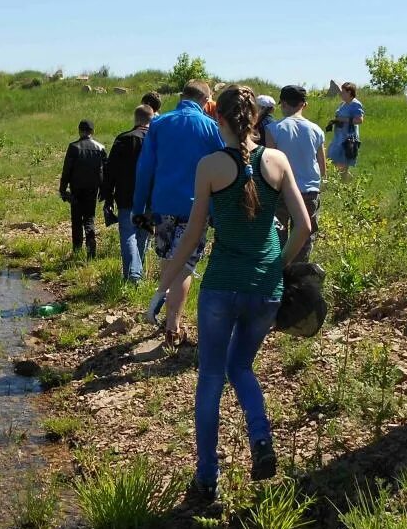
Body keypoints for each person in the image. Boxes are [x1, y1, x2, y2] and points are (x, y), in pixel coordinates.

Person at [148, 85, 311, 501]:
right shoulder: (277, 161)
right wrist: (277, 266)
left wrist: (164, 287)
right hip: (265, 289)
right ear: (255, 117)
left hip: (221, 287)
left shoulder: (210, 167)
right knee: (242, 368)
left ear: (216, 114)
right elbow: (304, 227)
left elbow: (191, 238)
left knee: (210, 377)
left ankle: (207, 478)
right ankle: (260, 439)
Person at [132, 80, 224, 346]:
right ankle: (173, 324)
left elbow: (145, 169)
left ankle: (164, 314)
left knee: (166, 259)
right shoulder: (210, 126)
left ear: (182, 96)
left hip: (162, 204)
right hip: (195, 206)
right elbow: (221, 167)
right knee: (183, 265)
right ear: (207, 100)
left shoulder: (159, 124)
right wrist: (218, 212)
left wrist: (139, 209)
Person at [265, 85, 325, 262]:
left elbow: (270, 165)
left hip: (282, 191)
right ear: (304, 105)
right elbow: (322, 166)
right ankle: (299, 276)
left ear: (282, 104)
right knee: (305, 238)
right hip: (309, 190)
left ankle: (278, 273)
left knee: (278, 235)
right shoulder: (316, 130)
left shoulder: (274, 129)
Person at [101, 105, 153, 282]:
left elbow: (110, 170)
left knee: (129, 234)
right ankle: (136, 275)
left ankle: (133, 275)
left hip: (126, 196)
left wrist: (107, 195)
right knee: (142, 235)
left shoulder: (123, 139)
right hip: (150, 198)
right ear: (151, 119)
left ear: (135, 119)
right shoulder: (157, 141)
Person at [58, 119, 106, 259]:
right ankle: (91, 251)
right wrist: (104, 191)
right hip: (92, 189)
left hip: (76, 189)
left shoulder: (73, 147)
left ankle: (77, 250)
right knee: (89, 218)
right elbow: (105, 171)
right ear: (93, 132)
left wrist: (62, 189)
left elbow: (66, 170)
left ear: (80, 131)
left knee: (76, 220)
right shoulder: (100, 148)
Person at [326, 82, 365, 174]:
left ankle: (345, 183)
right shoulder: (342, 104)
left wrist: (343, 119)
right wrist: (334, 121)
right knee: (332, 160)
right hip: (338, 137)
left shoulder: (355, 104)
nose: (341, 94)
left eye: (343, 92)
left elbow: (359, 120)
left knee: (342, 165)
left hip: (348, 138)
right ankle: (345, 182)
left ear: (349, 92)